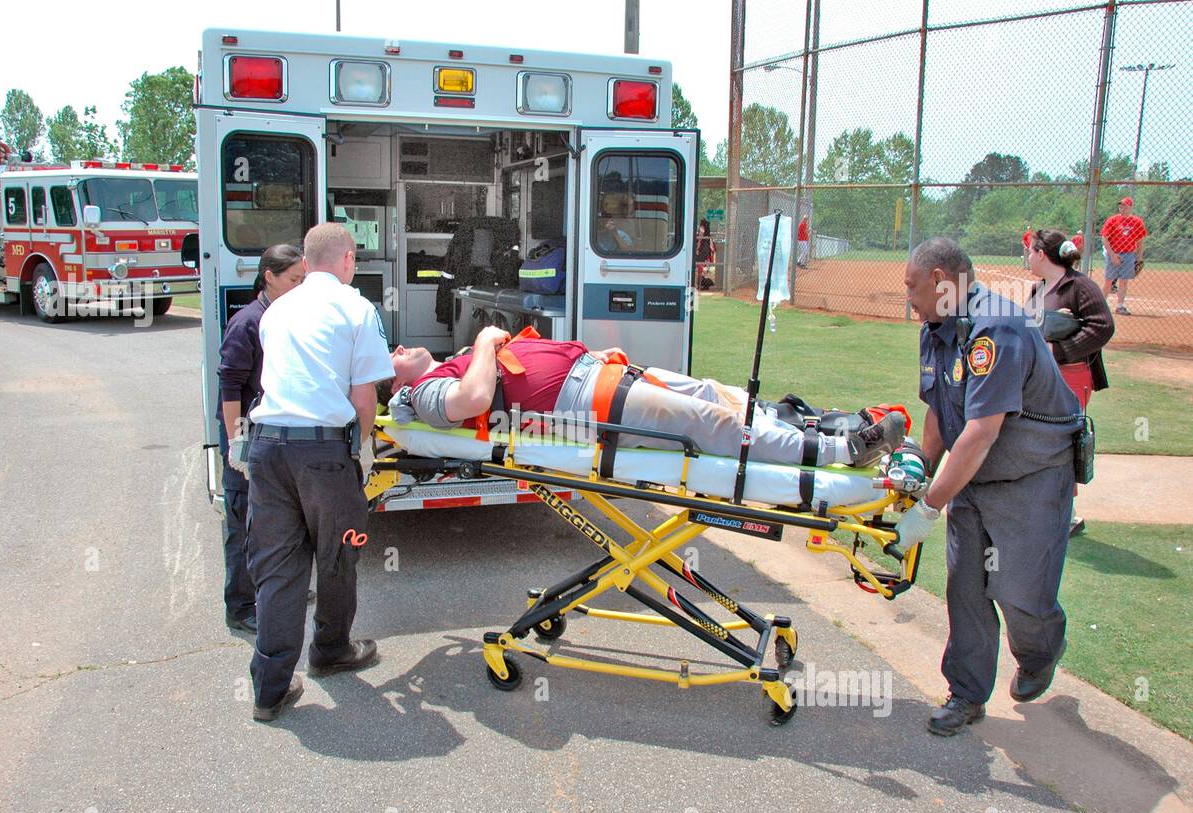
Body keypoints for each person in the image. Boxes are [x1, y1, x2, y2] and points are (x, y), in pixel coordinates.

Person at [895, 238, 1083, 737]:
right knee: (968, 589)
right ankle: (966, 693)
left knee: (1021, 590)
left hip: (1030, 479)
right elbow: (940, 406)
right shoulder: (936, 329)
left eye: (912, 286)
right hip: (973, 477)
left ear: (940, 279)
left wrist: (930, 508)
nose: (908, 298)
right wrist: (921, 462)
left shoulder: (996, 329)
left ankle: (1041, 651)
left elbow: (981, 431)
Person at [229, 223, 393, 722]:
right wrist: (360, 450)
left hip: (268, 450)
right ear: (346, 259)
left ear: (309, 258)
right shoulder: (356, 307)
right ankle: (331, 649)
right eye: (354, 261)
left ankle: (270, 689)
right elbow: (364, 400)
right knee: (339, 554)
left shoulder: (278, 309)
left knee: (278, 568)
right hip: (322, 456)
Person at [387, 330, 907, 468]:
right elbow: (477, 398)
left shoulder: (451, 360)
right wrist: (486, 339)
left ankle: (816, 428)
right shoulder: (420, 396)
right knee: (710, 423)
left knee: (710, 391)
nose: (397, 347)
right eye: (387, 356)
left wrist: (589, 353)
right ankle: (844, 452)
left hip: (598, 375)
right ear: (389, 385)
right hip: (584, 407)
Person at [216, 244, 306, 634]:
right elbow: (230, 385)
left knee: (279, 522)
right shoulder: (248, 323)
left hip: (279, 438)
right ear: (268, 276)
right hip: (249, 438)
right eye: (293, 280)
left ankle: (275, 589)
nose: (300, 288)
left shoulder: (291, 318)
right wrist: (236, 441)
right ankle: (240, 606)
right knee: (244, 525)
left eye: (304, 280)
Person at [1025, 228, 1114, 536]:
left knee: (1061, 439)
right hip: (1043, 376)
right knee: (1041, 437)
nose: (1027, 257)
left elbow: (1102, 327)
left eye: (1030, 251)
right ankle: (1052, 508)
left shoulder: (1079, 286)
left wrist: (1059, 348)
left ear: (1041, 254)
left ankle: (1067, 515)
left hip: (1072, 375)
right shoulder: (1039, 290)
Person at [1100, 196, 1146, 316]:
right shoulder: (1112, 220)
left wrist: (1139, 257)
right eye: (1120, 206)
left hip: (1129, 254)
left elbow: (1140, 241)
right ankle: (1100, 306)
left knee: (1124, 281)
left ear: (1130, 207)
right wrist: (1112, 255)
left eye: (1124, 206)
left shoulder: (1137, 222)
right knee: (1108, 281)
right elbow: (1105, 239)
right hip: (1113, 252)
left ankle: (1120, 306)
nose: (1122, 208)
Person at [694, 219, 716, 290]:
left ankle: (699, 286)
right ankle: (698, 286)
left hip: (701, 254)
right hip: (701, 254)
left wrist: (697, 249)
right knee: (698, 270)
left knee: (699, 270)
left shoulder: (705, 235)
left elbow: (700, 240)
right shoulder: (707, 236)